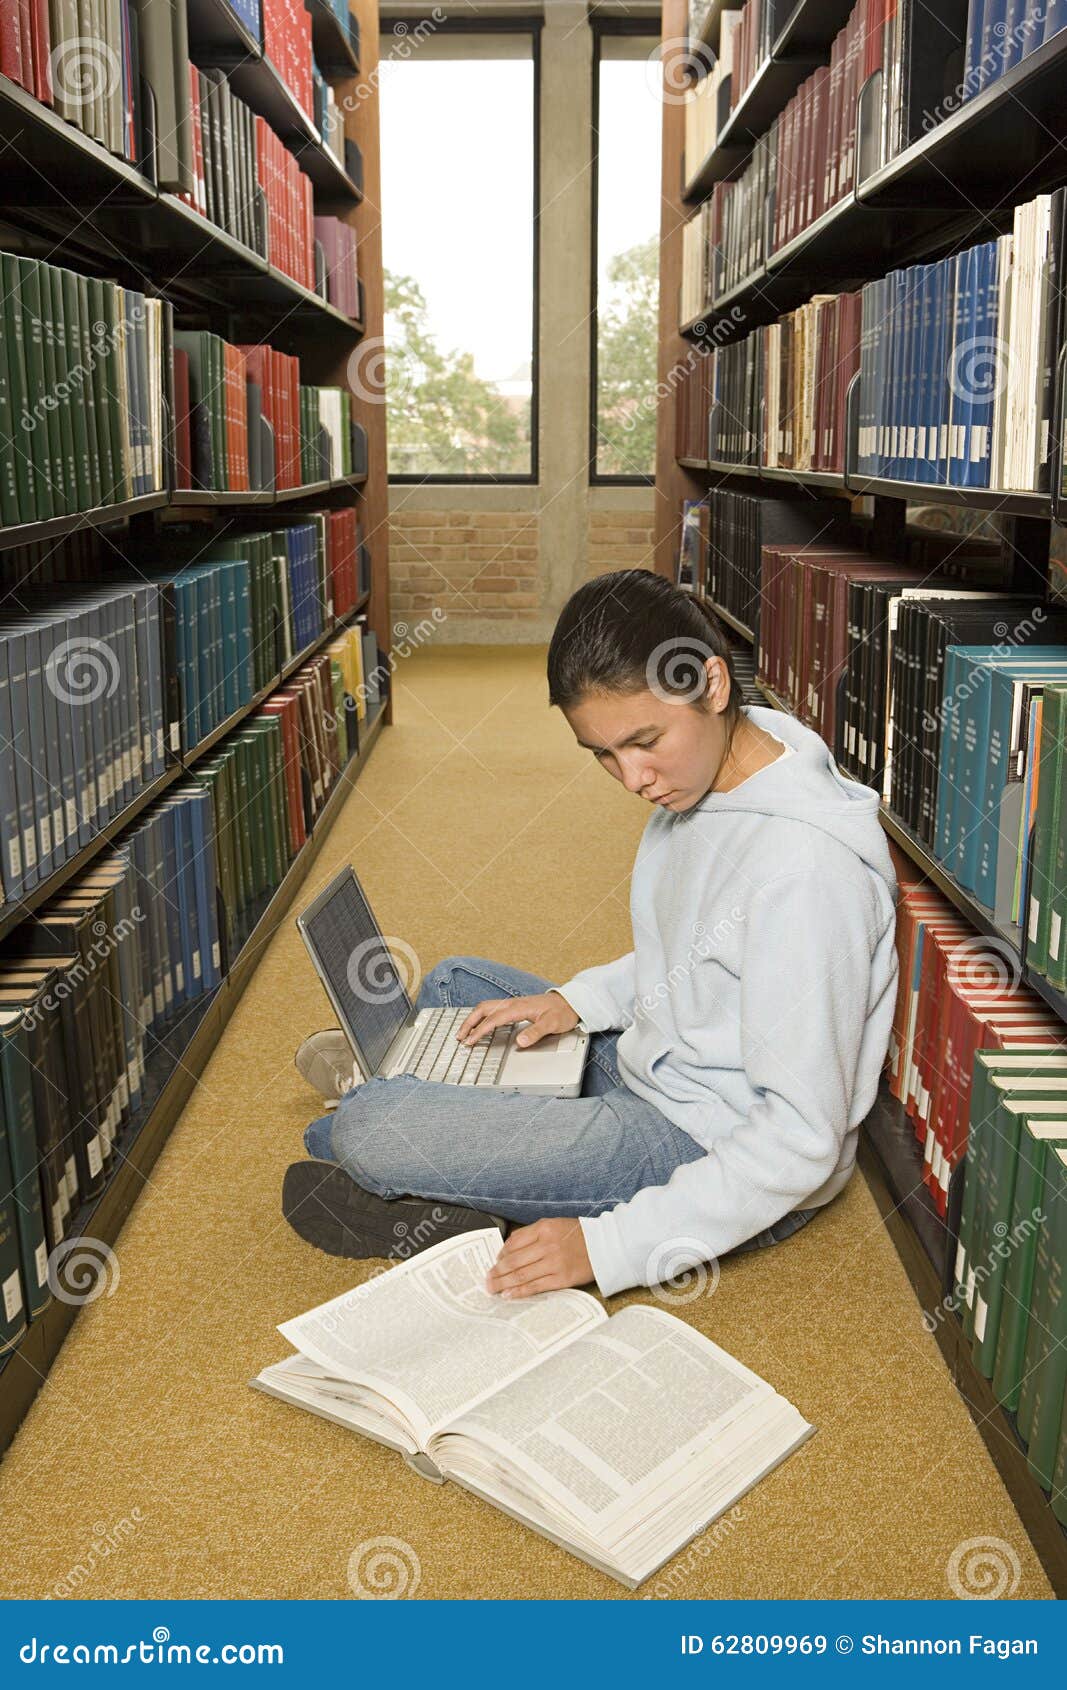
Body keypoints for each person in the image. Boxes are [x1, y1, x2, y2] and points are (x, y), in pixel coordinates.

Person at [282, 568, 899, 1301]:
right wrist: (576, 1001)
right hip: (663, 1066)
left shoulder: (803, 873)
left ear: (712, 684)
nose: (632, 778)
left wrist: (608, 1248)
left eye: (643, 741)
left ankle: (410, 1141)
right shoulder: (719, 766)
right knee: (457, 982)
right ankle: (444, 1125)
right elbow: (697, 954)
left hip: (707, 1143)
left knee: (370, 1130)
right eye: (603, 754)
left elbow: (798, 1142)